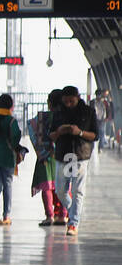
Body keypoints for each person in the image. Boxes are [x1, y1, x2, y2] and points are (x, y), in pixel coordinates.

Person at [49, 84, 98, 237]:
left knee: (78, 190)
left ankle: (73, 223)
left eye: (71, 101)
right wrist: (59, 131)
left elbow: (95, 135)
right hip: (63, 154)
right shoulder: (58, 113)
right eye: (66, 102)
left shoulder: (88, 112)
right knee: (60, 190)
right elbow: (51, 135)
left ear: (78, 98)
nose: (68, 104)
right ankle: (73, 212)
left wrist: (80, 132)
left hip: (80, 154)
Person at [0, 93, 25, 226]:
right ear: (11, 106)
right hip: (7, 157)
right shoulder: (11, 121)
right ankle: (6, 216)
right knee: (7, 186)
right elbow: (15, 138)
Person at [29, 90, 67, 226]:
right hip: (63, 156)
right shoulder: (66, 117)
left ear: (49, 103)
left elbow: (31, 126)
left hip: (45, 157)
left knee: (47, 187)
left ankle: (49, 216)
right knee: (63, 186)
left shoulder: (41, 118)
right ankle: (62, 216)